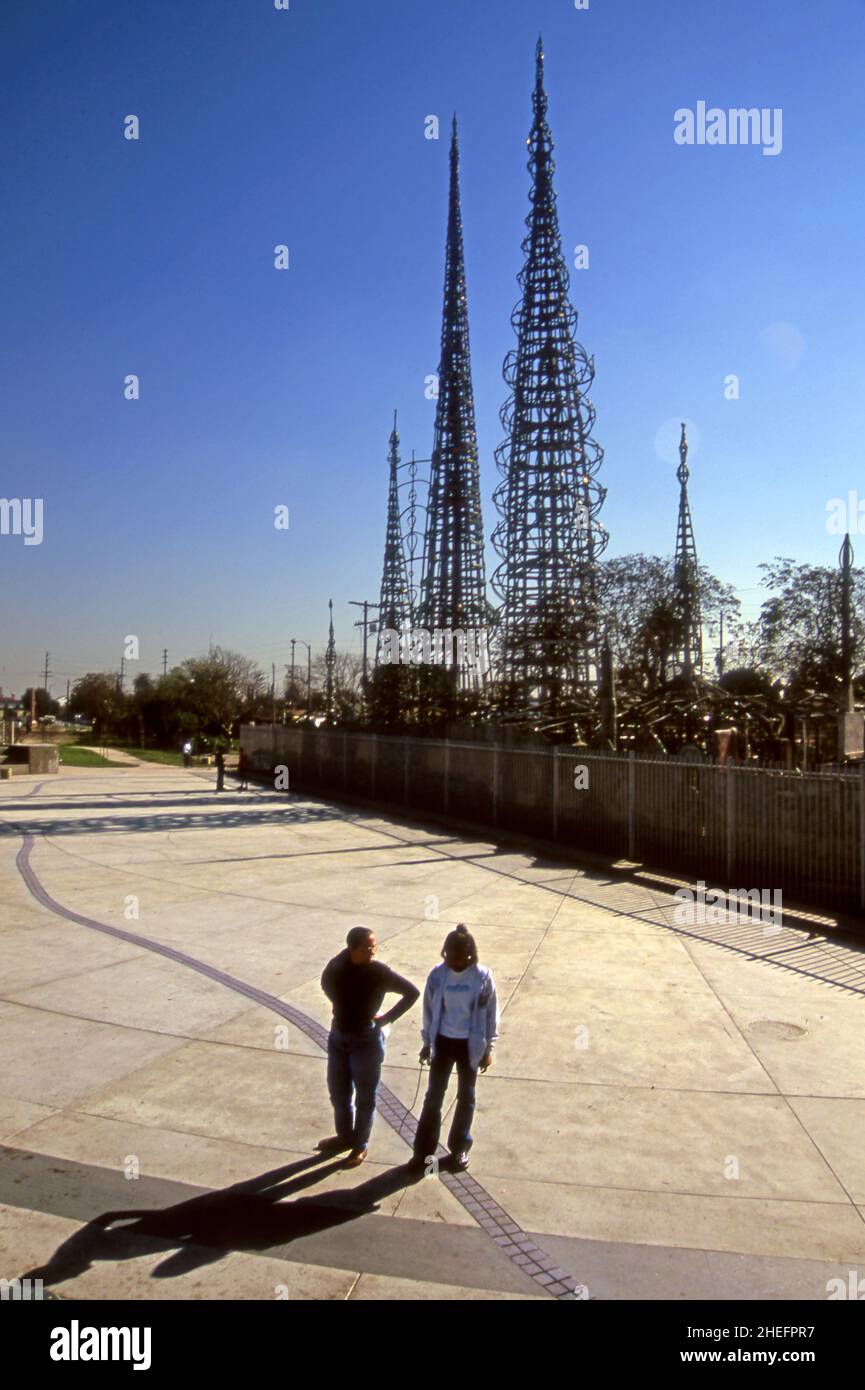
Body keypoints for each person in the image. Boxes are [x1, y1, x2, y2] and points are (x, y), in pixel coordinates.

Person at [319, 927, 419, 1168]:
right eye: (367, 947)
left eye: (374, 946)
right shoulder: (338, 965)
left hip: (366, 1041)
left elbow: (411, 992)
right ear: (353, 949)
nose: (373, 950)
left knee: (365, 1096)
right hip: (339, 1037)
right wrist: (341, 1004)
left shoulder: (379, 972)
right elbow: (325, 983)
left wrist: (386, 1019)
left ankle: (360, 1145)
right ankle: (345, 1136)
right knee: (338, 1092)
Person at [410, 924, 498, 1174]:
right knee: (433, 1097)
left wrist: (489, 1048)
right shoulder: (437, 976)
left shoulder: (482, 977)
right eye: (449, 957)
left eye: (459, 958)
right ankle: (423, 1152)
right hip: (443, 1042)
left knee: (466, 1096)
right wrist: (427, 1043)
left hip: (470, 1045)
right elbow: (428, 1011)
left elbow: (492, 1014)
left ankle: (460, 1147)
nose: (454, 962)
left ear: (469, 956)